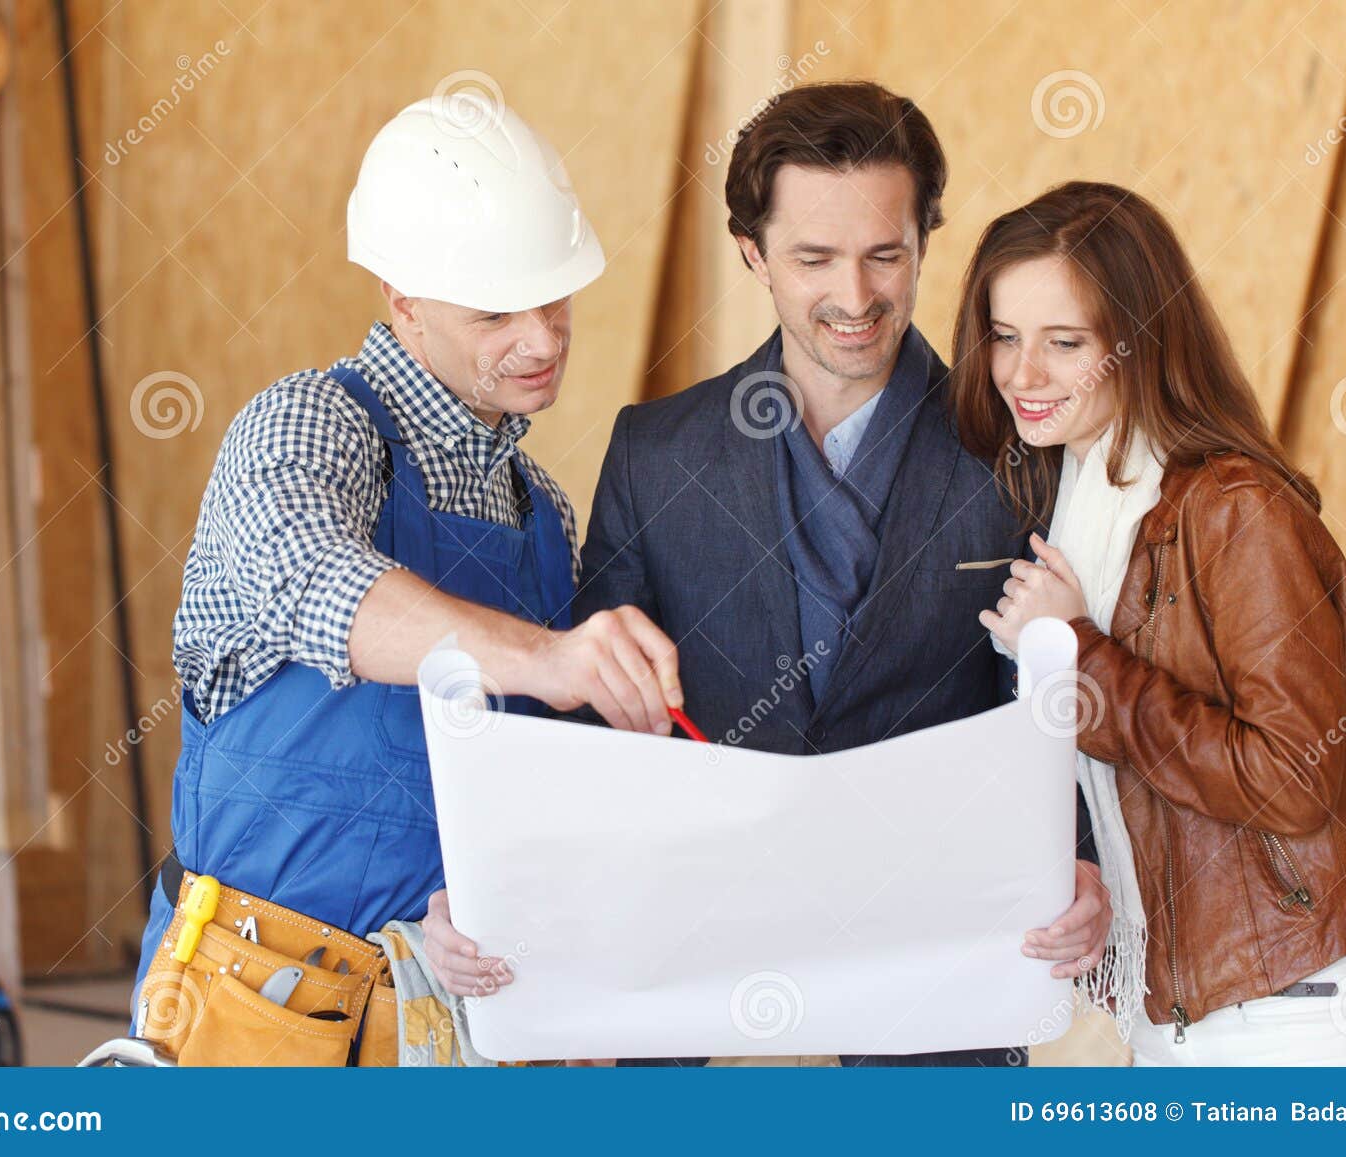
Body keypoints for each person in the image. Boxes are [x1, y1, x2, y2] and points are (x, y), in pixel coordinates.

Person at [426, 81, 1114, 1067]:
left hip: (937, 941)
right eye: (813, 258)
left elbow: (1044, 691)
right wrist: (487, 882)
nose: (857, 295)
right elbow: (583, 711)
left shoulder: (1015, 445)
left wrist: (1080, 858)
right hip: (685, 935)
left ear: (925, 238)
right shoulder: (656, 451)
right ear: (752, 253)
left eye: (887, 253)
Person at [129, 93, 682, 1033]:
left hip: (440, 1032)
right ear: (403, 299)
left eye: (553, 297)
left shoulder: (542, 510)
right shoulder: (308, 426)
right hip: (251, 1019)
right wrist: (546, 657)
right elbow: (313, 577)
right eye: (497, 310)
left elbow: (514, 795)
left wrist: (486, 908)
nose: (543, 338)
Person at [955, 179, 1346, 1065]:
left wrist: (1082, 658)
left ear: (1138, 344)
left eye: (1064, 342)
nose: (1022, 373)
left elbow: (1293, 781)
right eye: (1005, 337)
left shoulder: (1237, 510)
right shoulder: (1080, 514)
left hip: (1294, 1015)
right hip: (1172, 1013)